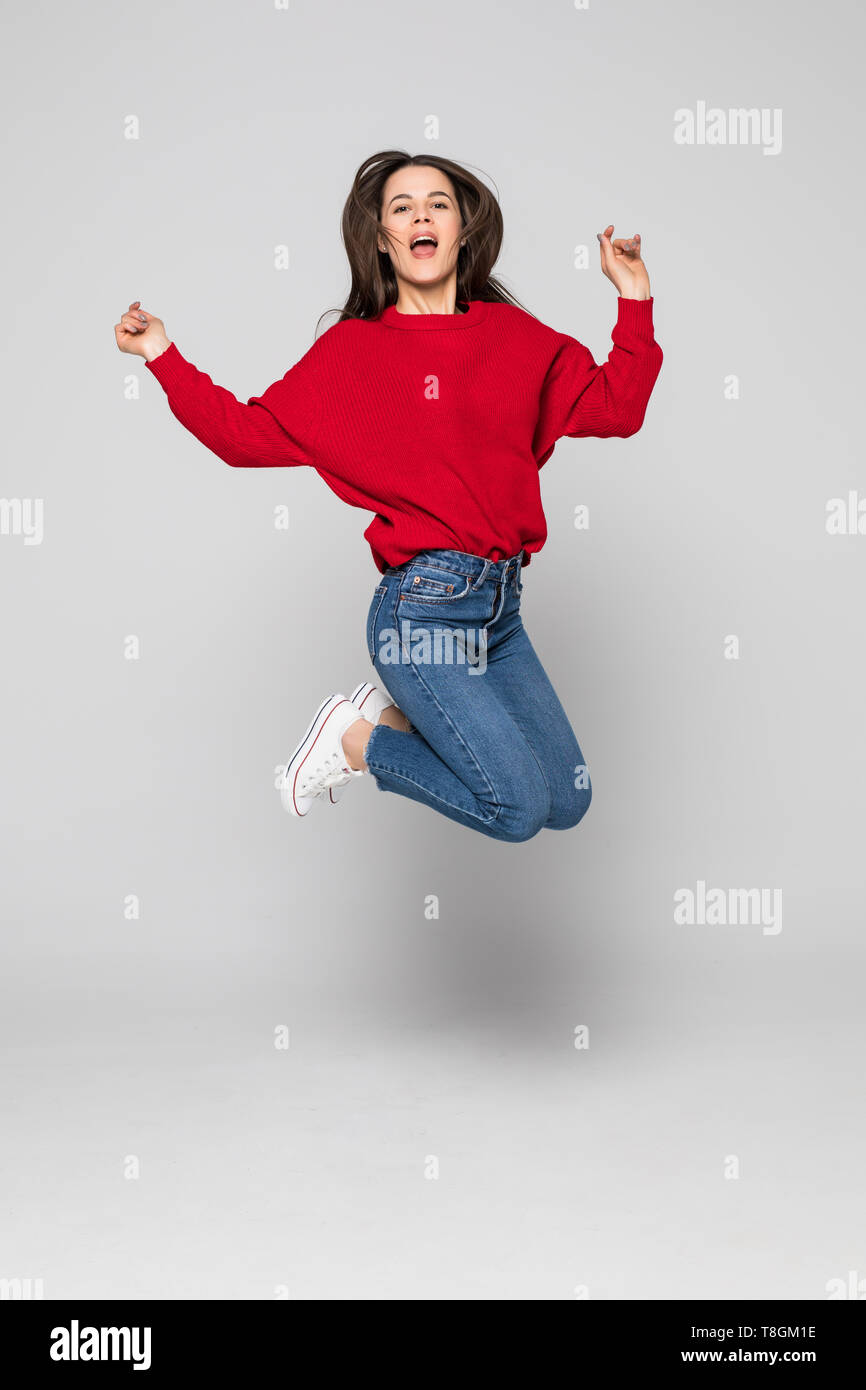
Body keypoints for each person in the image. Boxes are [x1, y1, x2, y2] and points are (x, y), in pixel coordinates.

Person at [115, 149, 663, 842]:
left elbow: (618, 408)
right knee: (517, 809)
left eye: (437, 203)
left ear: (463, 228)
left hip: (500, 610)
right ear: (382, 238)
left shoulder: (516, 340)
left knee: (565, 799)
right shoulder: (352, 354)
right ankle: (352, 740)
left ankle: (397, 721)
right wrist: (163, 354)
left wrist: (634, 296)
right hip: (422, 615)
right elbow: (242, 437)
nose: (421, 215)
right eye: (401, 208)